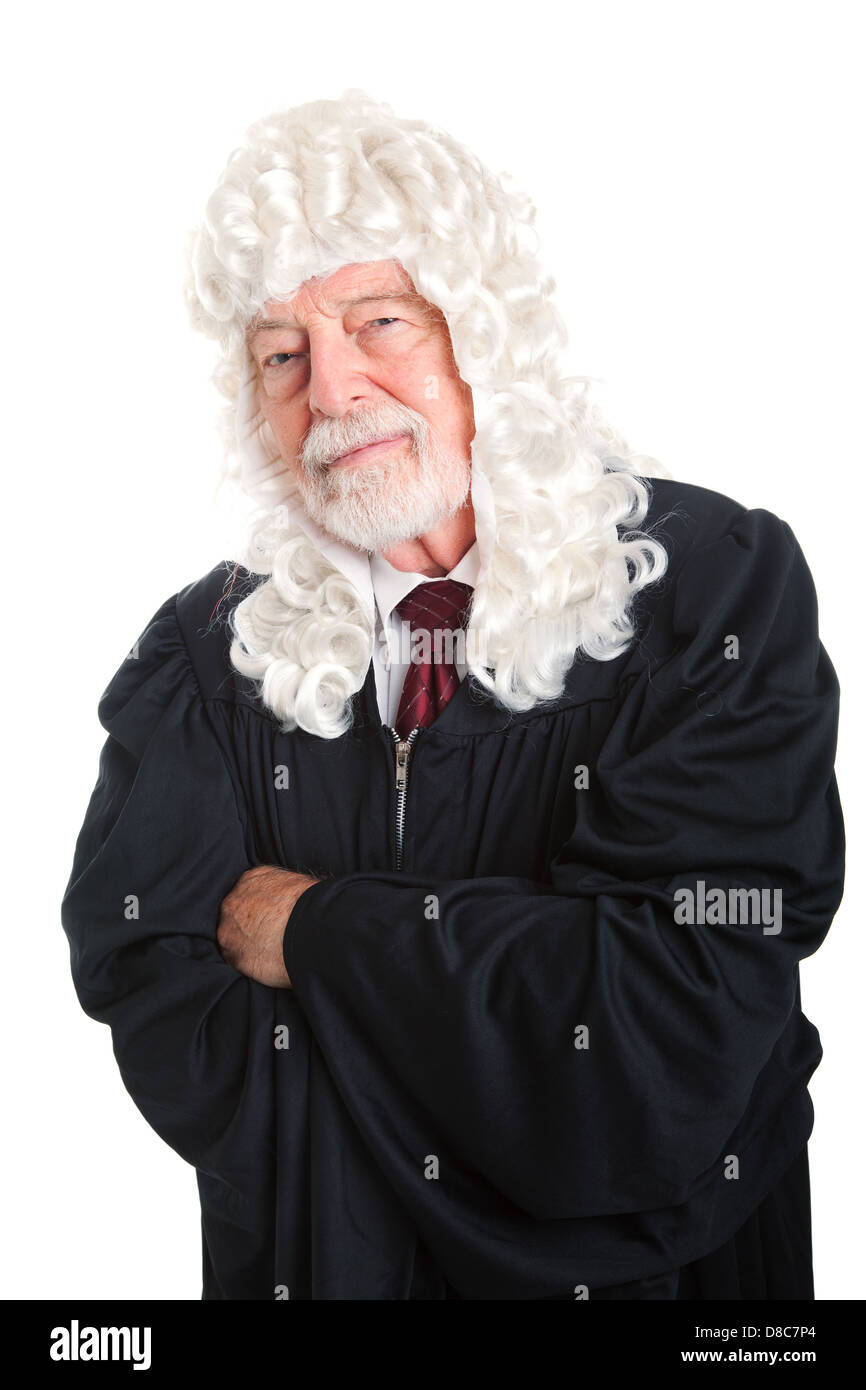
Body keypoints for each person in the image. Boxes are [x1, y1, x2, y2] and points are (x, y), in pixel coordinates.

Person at [61, 89, 845, 1300]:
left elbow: (674, 1019)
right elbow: (147, 975)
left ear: (482, 333)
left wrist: (318, 933)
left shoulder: (711, 596)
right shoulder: (204, 659)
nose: (331, 392)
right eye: (283, 355)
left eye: (378, 322)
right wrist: (477, 1068)